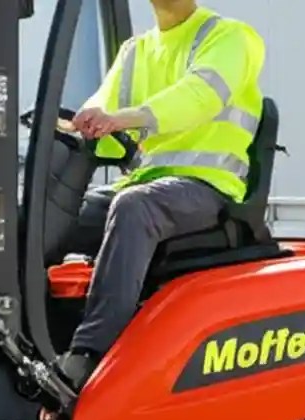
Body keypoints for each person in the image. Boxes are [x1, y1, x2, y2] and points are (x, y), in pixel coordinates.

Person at [53, 0, 266, 391]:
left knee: (134, 208)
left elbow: (199, 96)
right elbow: (103, 107)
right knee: (51, 219)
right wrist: (78, 123)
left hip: (207, 188)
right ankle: (19, 344)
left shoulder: (231, 37)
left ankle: (89, 354)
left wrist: (123, 118)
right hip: (146, 183)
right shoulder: (136, 52)